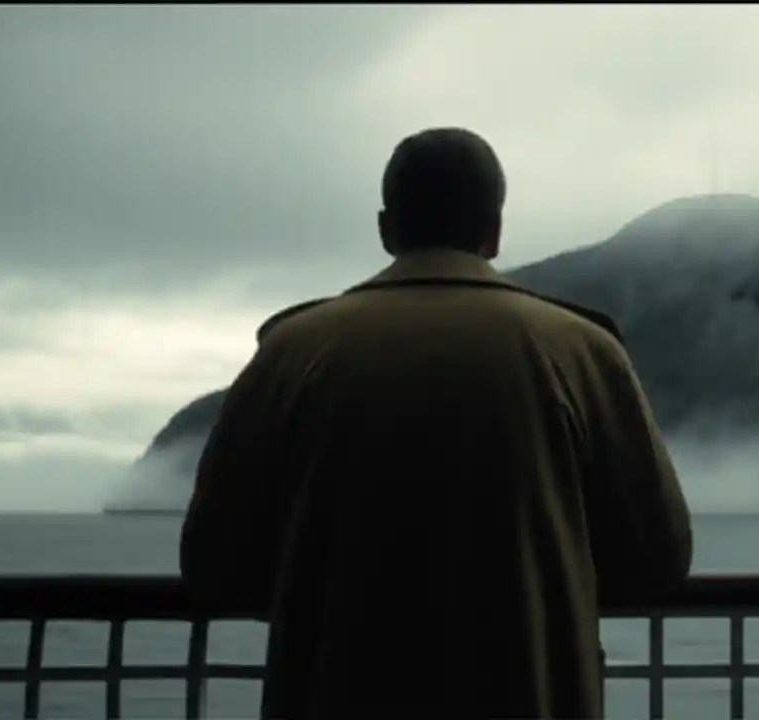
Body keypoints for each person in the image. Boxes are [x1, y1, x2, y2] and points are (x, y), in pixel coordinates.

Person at [179, 127, 694, 720]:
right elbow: (658, 559)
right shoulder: (584, 351)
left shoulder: (289, 352)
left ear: (387, 229)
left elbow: (213, 564)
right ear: (494, 231)